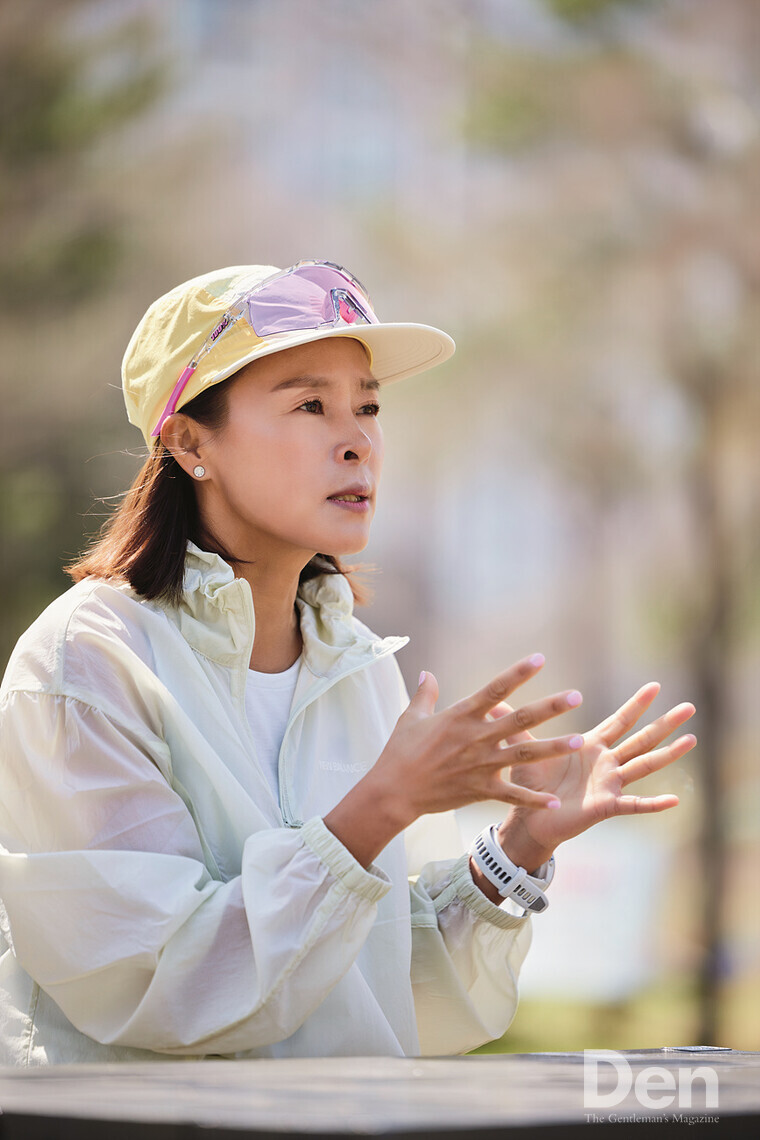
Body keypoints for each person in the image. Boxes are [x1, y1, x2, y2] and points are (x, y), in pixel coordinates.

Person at [0, 261, 696, 1065]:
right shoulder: (86, 663)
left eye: (368, 406)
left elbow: (392, 993)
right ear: (191, 441)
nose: (358, 438)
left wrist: (520, 846)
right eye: (309, 405)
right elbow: (160, 982)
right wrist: (379, 807)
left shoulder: (361, 668)